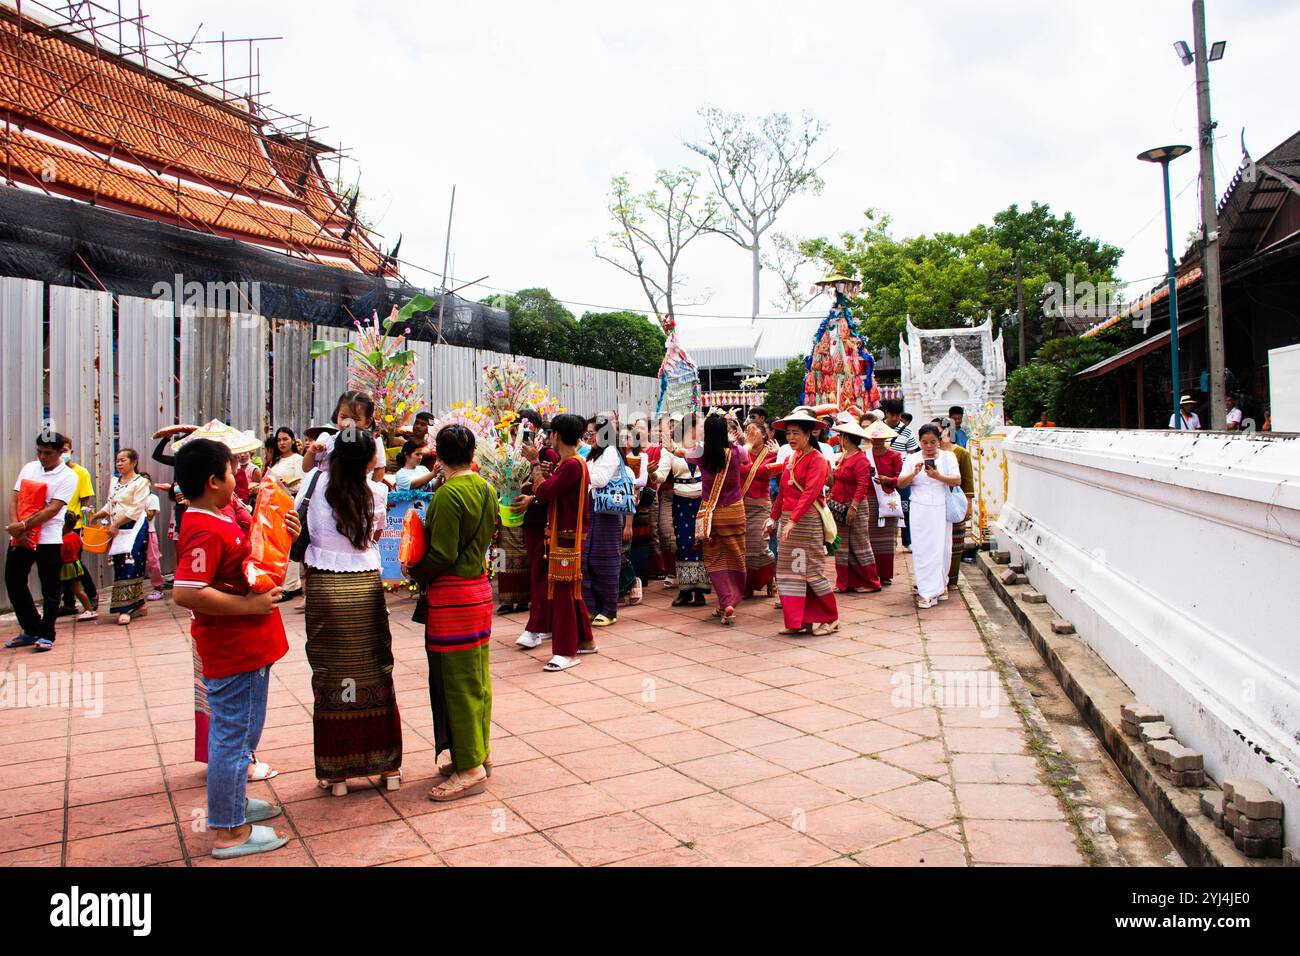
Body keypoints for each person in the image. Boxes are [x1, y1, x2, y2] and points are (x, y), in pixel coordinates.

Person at [171, 437, 293, 860]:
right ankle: (229, 831)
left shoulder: (217, 516)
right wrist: (247, 606)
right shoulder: (203, 527)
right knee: (232, 738)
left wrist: (284, 532)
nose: (236, 476)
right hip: (233, 647)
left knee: (242, 734)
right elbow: (186, 591)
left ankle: (233, 804)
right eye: (230, 471)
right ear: (213, 481)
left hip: (248, 646)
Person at [296, 427, 401, 797]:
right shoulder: (379, 492)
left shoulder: (313, 482)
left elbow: (296, 522)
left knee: (330, 676)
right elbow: (373, 537)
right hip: (364, 587)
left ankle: (336, 772)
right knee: (375, 671)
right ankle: (387, 765)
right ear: (371, 459)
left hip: (324, 586)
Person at [406, 424, 496, 802]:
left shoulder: (446, 496)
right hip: (478, 591)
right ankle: (476, 752)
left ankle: (470, 766)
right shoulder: (486, 488)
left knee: (455, 680)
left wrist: (416, 572)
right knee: (476, 677)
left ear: (438, 457)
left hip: (452, 597)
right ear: (472, 452)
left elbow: (441, 555)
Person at [512, 412, 596, 671]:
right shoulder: (572, 463)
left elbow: (545, 491)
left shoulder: (572, 464)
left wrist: (535, 464)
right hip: (566, 534)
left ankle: (566, 651)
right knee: (571, 591)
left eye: (550, 434)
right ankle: (585, 641)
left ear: (556, 435)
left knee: (561, 592)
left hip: (565, 536)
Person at [766, 408, 838, 636]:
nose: (791, 438)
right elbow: (784, 493)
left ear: (809, 434)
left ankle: (830, 618)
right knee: (790, 573)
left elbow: (810, 493)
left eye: (796, 433)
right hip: (790, 522)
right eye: (788, 433)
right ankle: (800, 620)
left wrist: (792, 521)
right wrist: (773, 518)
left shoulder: (817, 460)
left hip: (806, 523)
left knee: (813, 571)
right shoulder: (790, 458)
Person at [5, 432, 79, 652]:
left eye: (47, 453)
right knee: (14, 581)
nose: (42, 457)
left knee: (50, 587)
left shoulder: (68, 476)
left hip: (48, 538)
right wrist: (15, 527)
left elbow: (54, 508)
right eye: (39, 452)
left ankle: (47, 633)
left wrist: (23, 526)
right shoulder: (29, 468)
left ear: (59, 452)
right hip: (21, 536)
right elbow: (15, 498)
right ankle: (30, 628)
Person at [691, 413, 750, 625]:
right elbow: (747, 459)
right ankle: (732, 599)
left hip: (711, 513)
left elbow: (683, 453)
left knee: (715, 559)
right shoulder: (736, 451)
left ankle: (726, 602)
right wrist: (738, 440)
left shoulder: (699, 452)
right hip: (735, 510)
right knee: (736, 556)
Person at [896, 424, 962, 609]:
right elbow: (901, 483)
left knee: (941, 548)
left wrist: (938, 476)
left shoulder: (948, 457)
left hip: (941, 507)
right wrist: (914, 472)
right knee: (923, 549)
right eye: (924, 442)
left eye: (933, 442)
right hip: (919, 508)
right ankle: (927, 592)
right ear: (919, 442)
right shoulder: (912, 459)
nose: (928, 446)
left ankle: (940, 586)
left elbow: (957, 480)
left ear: (939, 441)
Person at [514, 412, 561, 650]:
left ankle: (536, 628)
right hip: (528, 520)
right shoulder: (513, 453)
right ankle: (548, 624)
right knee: (537, 573)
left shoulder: (547, 454)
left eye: (522, 428)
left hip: (543, 521)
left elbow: (550, 490)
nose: (518, 433)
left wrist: (532, 499)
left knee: (541, 574)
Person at [90, 448, 152, 626]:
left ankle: (125, 608)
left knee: (131, 565)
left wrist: (116, 524)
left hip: (135, 528)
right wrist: (98, 515)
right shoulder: (115, 481)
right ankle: (139, 604)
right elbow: (111, 504)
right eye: (117, 460)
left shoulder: (141, 482)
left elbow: (136, 508)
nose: (119, 463)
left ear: (133, 462)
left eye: (123, 460)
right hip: (117, 529)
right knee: (119, 564)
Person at [656, 413, 709, 608]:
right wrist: (652, 472)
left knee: (701, 544)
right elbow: (661, 476)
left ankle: (701, 592)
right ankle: (686, 590)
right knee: (684, 545)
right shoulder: (668, 450)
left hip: (702, 500)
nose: (702, 431)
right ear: (689, 428)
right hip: (681, 501)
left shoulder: (704, 447)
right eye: (699, 427)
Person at [583, 413, 631, 627]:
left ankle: (609, 610)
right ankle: (593, 607)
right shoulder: (593, 454)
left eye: (591, 433)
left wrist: (580, 471)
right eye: (587, 433)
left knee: (607, 561)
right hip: (593, 510)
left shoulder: (610, 452)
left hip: (608, 512)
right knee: (590, 561)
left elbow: (600, 480)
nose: (589, 437)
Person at [829, 415, 881, 594]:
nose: (839, 438)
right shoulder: (844, 456)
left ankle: (870, 582)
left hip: (854, 506)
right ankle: (845, 581)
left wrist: (854, 507)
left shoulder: (860, 459)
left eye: (841, 436)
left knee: (860, 543)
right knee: (842, 546)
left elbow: (862, 485)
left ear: (847, 438)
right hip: (839, 505)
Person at [58, 438, 99, 616]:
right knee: (64, 564)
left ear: (71, 451)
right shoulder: (53, 472)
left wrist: (87, 524)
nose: (63, 453)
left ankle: (91, 594)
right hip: (55, 525)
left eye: (65, 450)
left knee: (74, 563)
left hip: (73, 525)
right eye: (60, 450)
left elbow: (85, 500)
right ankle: (69, 604)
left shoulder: (80, 473)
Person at [741, 418, 780, 598]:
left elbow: (765, 471)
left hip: (760, 506)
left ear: (764, 435)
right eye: (746, 430)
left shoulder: (771, 453)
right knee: (743, 547)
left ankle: (769, 579)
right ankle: (748, 584)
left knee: (760, 545)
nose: (749, 434)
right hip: (741, 505)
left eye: (753, 431)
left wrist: (779, 455)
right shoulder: (742, 452)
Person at [265, 426, 306, 597]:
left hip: (290, 504)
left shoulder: (298, 459)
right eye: (279, 440)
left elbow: (302, 483)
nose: (282, 443)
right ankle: (282, 582)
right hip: (274, 506)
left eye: (285, 439)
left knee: (290, 541)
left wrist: (286, 483)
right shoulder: (276, 461)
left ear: (292, 440)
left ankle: (292, 584)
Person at [936, 419, 974, 591]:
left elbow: (967, 481)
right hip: (935, 502)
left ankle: (951, 579)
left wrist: (969, 505)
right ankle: (935, 578)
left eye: (940, 431)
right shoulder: (930, 453)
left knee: (956, 541)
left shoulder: (961, 453)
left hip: (955, 501)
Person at [863, 420, 902, 586]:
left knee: (887, 540)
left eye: (881, 439)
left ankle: (885, 574)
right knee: (868, 538)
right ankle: (872, 573)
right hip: (869, 500)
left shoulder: (895, 456)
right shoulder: (864, 455)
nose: (877, 442)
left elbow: (901, 478)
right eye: (874, 439)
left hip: (887, 499)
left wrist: (888, 480)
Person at [654, 415, 679, 588]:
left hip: (690, 495)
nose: (671, 430)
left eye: (674, 426)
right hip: (668, 495)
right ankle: (671, 570)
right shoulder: (663, 450)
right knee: (665, 533)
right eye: (667, 427)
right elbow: (660, 476)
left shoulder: (691, 448)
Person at [59, 513, 95, 619]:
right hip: (75, 565)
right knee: (78, 590)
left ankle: (49, 613)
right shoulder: (75, 536)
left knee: (56, 591)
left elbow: (60, 556)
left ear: (64, 525)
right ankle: (89, 610)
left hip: (66, 568)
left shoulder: (64, 540)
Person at [142, 476, 165, 600]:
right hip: (136, 533)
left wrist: (139, 502)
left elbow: (150, 516)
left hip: (149, 531)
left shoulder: (152, 498)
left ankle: (158, 588)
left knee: (153, 561)